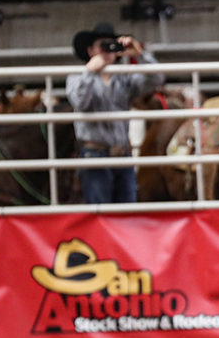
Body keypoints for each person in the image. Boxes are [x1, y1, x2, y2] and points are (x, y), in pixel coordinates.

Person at [66, 22, 164, 204]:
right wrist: (90, 71)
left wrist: (139, 54)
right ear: (90, 50)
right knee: (100, 211)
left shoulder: (124, 78)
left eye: (111, 45)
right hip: (94, 154)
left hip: (122, 154)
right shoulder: (76, 77)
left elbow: (156, 78)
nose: (107, 50)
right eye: (102, 46)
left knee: (126, 211)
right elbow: (81, 102)